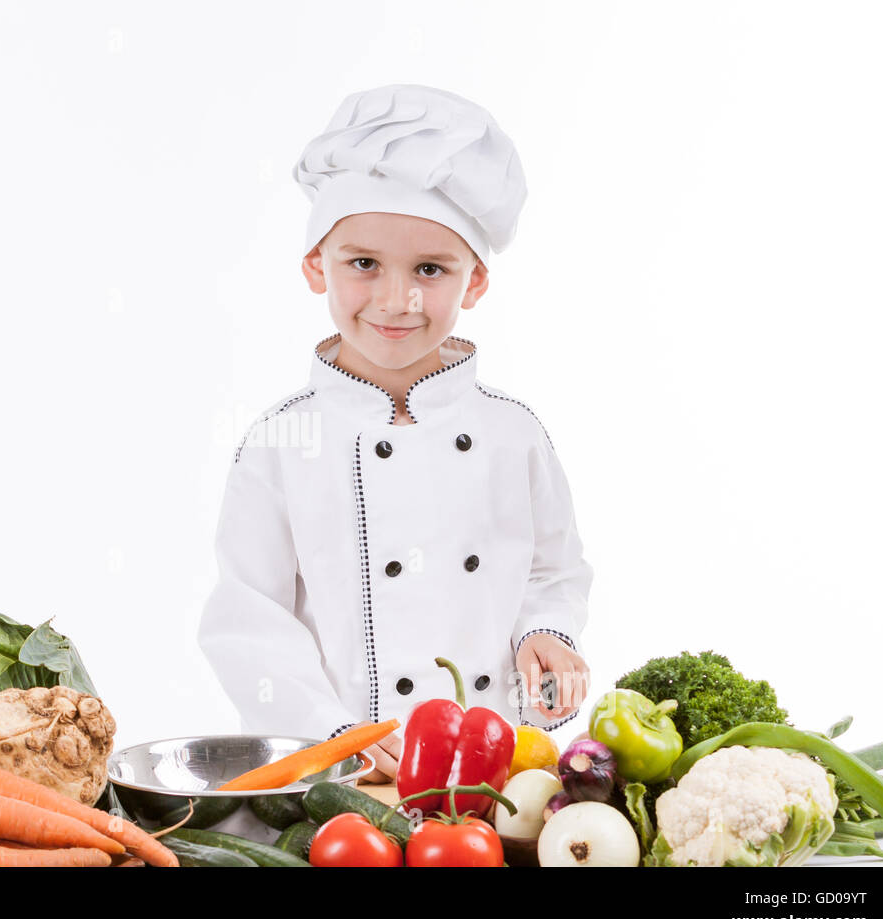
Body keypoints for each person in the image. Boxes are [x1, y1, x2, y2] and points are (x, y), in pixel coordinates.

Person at [196, 84, 593, 783]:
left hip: (495, 780)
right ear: (316, 265)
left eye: (431, 270)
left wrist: (546, 634)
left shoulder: (513, 434)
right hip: (339, 780)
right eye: (363, 264)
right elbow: (248, 622)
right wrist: (334, 734)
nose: (395, 300)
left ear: (475, 283)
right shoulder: (280, 445)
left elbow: (553, 570)